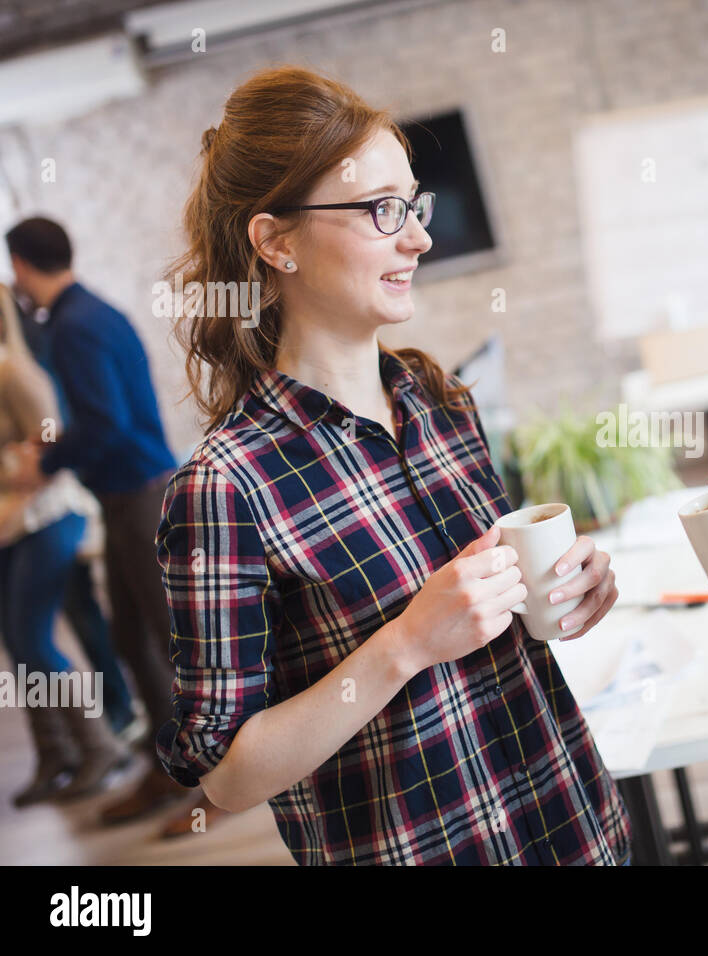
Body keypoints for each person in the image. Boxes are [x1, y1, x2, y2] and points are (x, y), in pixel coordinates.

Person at [154, 66, 630, 864]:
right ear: (275, 241)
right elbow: (228, 777)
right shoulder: (226, 486)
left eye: (413, 205)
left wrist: (571, 588)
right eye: (382, 211)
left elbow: (490, 619)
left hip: (572, 827)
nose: (418, 236)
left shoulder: (441, 401)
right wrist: (406, 644)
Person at [4, 217, 184, 824]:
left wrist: (47, 458)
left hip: (137, 493)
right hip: (128, 493)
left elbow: (105, 424)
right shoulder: (92, 313)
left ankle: (201, 781)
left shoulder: (76, 326)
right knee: (133, 638)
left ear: (22, 266)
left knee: (165, 638)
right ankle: (170, 765)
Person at [0, 281, 132, 805]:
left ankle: (100, 746)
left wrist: (16, 467)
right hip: (10, 524)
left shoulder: (12, 371)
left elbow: (51, 448)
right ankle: (56, 753)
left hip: (48, 516)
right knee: (18, 646)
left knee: (34, 640)